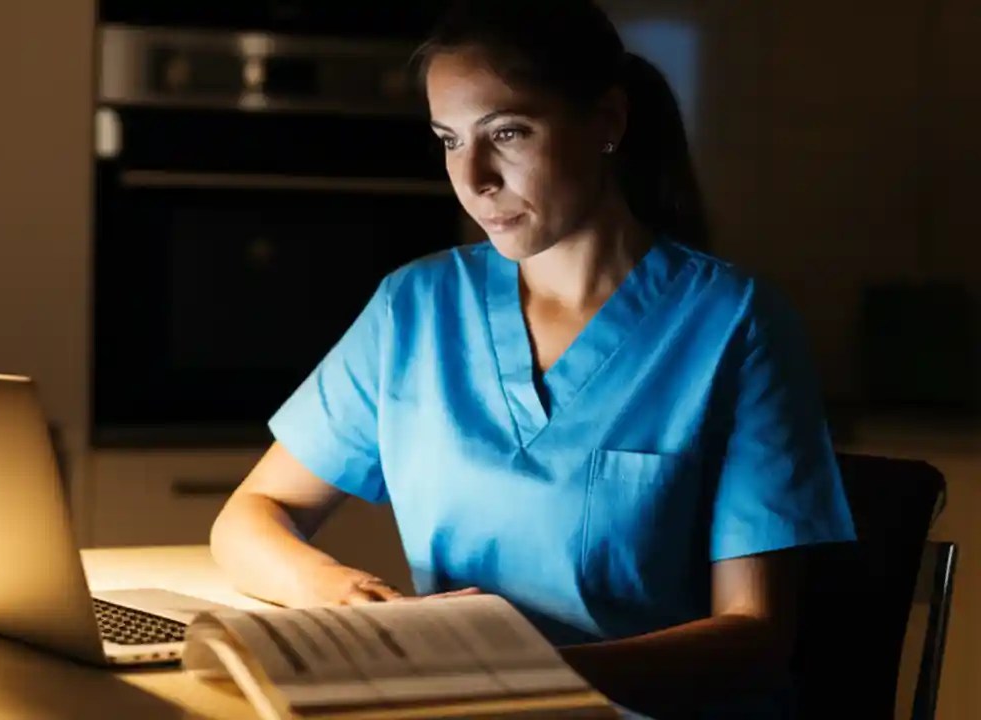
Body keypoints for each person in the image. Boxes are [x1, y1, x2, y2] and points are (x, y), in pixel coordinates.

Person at [209, 1, 856, 717]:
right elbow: (252, 516)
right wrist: (337, 593)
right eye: (449, 140)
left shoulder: (737, 325)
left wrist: (515, 675)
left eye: (507, 133)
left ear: (607, 122)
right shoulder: (415, 309)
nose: (474, 176)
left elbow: (754, 635)